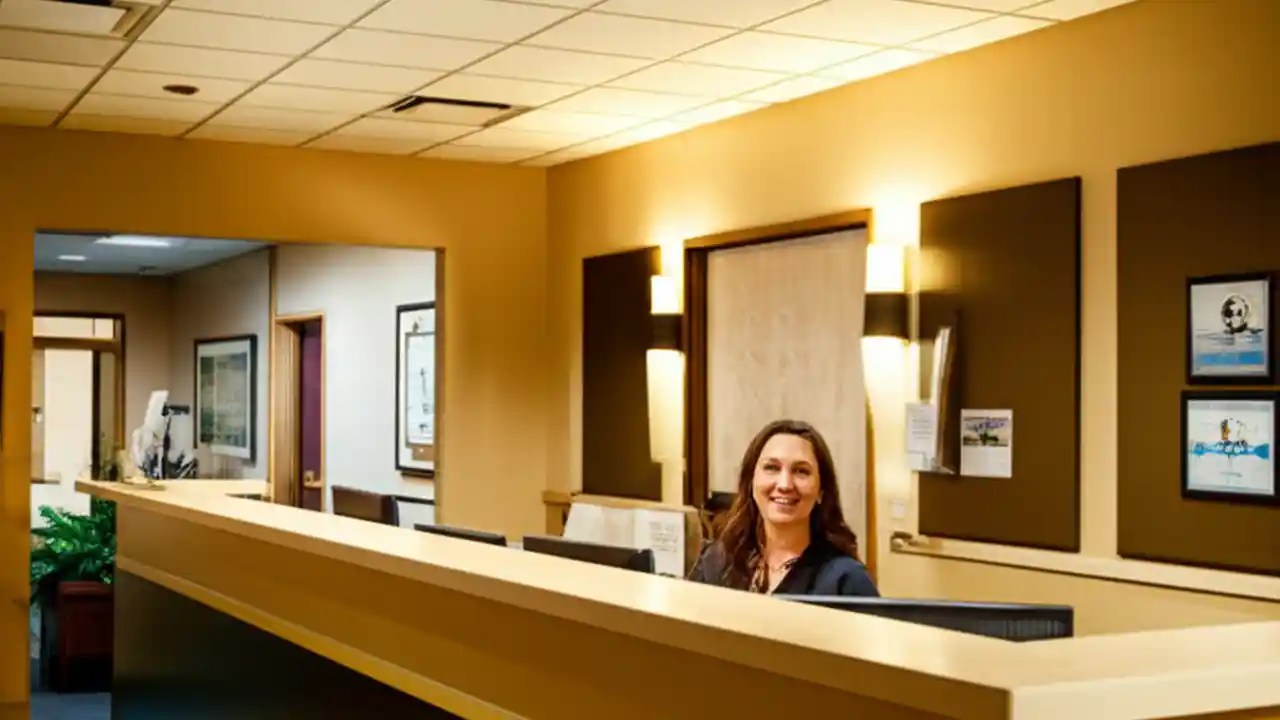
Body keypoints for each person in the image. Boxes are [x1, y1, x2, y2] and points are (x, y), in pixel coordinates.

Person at [688, 419, 878, 596]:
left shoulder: (846, 579)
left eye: (801, 471)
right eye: (772, 468)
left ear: (822, 491)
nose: (785, 484)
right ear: (751, 482)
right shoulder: (717, 562)